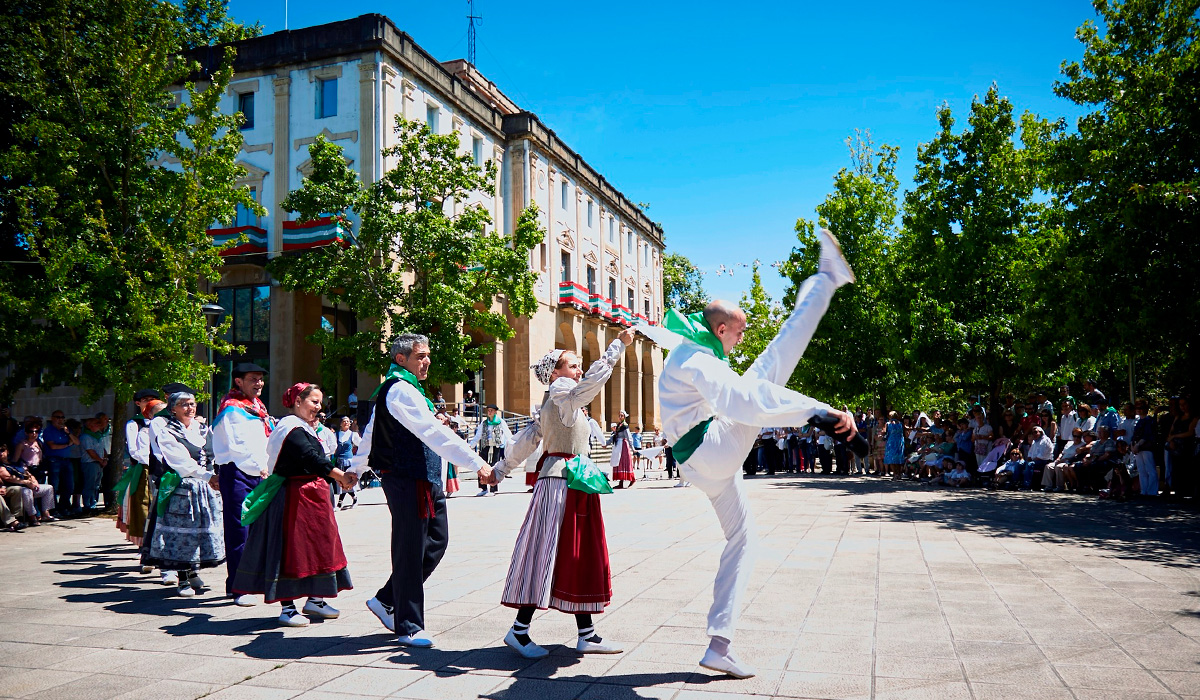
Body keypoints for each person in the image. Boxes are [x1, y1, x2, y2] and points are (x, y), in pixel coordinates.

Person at [635, 228, 855, 679]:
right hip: (711, 451)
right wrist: (817, 412)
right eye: (738, 331)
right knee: (770, 367)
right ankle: (826, 280)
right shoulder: (698, 358)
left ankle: (719, 645)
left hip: (704, 460)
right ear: (721, 329)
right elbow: (742, 402)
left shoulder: (692, 350)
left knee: (744, 537)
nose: (741, 337)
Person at [488, 328, 634, 659]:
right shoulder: (561, 393)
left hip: (571, 481)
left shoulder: (558, 400)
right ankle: (520, 630)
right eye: (572, 365)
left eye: (578, 365)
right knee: (552, 552)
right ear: (555, 373)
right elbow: (589, 387)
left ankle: (585, 633)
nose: (579, 370)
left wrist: (500, 471)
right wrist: (617, 346)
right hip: (561, 483)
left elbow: (528, 439)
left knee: (572, 554)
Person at [349, 334, 494, 647]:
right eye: (420, 356)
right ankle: (409, 625)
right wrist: (477, 463)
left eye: (427, 355)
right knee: (410, 549)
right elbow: (431, 432)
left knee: (437, 541)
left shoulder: (409, 389)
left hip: (424, 478)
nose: (426, 361)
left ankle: (387, 600)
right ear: (401, 359)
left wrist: (355, 468)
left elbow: (373, 429)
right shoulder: (399, 389)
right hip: (407, 477)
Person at [233, 383, 355, 627]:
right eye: (313, 401)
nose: (318, 407)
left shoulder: (306, 427)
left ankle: (316, 599)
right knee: (290, 550)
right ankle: (287, 607)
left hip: (312, 497)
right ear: (298, 401)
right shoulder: (290, 427)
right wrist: (340, 476)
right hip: (292, 497)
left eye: (320, 402)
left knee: (319, 547)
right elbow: (309, 456)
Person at [143, 391, 224, 598]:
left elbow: (215, 454)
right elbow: (180, 463)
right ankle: (183, 577)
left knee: (200, 533)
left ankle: (194, 571)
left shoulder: (204, 429)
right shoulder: (167, 432)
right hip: (183, 488)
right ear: (173, 409)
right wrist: (209, 476)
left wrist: (216, 475)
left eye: (192, 404)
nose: (190, 408)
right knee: (181, 534)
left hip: (206, 488)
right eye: (184, 404)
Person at [212, 363, 274, 606]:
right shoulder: (232, 408)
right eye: (253, 379)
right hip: (239, 472)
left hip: (258, 472)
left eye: (260, 379)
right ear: (238, 381)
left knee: (256, 530)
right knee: (239, 530)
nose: (259, 383)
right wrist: (261, 468)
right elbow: (238, 446)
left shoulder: (257, 407)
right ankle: (238, 587)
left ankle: (250, 581)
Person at [116, 389, 159, 550]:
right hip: (143, 467)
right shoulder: (134, 423)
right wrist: (148, 462)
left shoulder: (162, 421)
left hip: (161, 467)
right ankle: (144, 542)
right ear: (138, 403)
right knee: (143, 504)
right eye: (146, 400)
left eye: (153, 399)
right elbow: (134, 450)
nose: (150, 402)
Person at [470, 404, 513, 496]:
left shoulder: (500, 422)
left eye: (491, 410)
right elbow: (478, 436)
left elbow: (507, 433)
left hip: (496, 447)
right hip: (485, 446)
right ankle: (483, 488)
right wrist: (471, 445)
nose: (489, 412)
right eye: (488, 410)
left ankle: (493, 489)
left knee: (494, 467)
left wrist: (512, 444)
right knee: (481, 466)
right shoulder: (484, 423)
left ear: (495, 412)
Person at [41, 411, 76, 516]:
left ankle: (64, 507)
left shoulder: (65, 430)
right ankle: (53, 509)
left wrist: (68, 433)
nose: (60, 419)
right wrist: (67, 445)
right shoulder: (48, 430)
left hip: (66, 460)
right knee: (54, 486)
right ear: (52, 418)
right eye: (58, 417)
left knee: (69, 485)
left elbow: (77, 442)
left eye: (62, 417)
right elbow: (52, 446)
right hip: (54, 460)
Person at [80, 414, 111, 513]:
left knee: (96, 485)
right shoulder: (86, 437)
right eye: (96, 423)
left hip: (99, 463)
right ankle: (87, 505)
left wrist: (105, 459)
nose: (99, 424)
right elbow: (90, 451)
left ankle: (94, 503)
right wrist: (100, 460)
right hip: (90, 463)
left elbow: (103, 449)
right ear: (90, 426)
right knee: (89, 485)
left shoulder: (98, 436)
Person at [1131, 399, 1158, 497]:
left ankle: (1152, 491)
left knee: (1150, 469)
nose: (1139, 410)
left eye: (1141, 408)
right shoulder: (1138, 421)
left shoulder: (1149, 420)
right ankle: (1144, 490)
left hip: (1146, 448)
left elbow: (1147, 435)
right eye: (1137, 408)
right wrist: (1133, 445)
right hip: (1138, 449)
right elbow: (1134, 435)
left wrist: (1138, 445)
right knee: (1141, 470)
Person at [334, 416, 361, 509]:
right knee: (341, 480)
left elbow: (361, 444)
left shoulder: (353, 434)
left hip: (349, 461)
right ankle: (354, 498)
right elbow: (333, 447)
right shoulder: (336, 434)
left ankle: (340, 502)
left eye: (347, 421)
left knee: (349, 480)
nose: (346, 423)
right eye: (344, 421)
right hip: (339, 461)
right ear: (340, 423)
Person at [610, 411, 636, 488]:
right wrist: (606, 443)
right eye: (619, 416)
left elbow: (628, 437)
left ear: (624, 417)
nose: (620, 417)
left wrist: (632, 448)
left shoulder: (625, 425)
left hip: (623, 446)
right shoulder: (619, 425)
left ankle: (632, 479)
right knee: (619, 463)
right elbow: (614, 436)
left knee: (625, 462)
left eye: (622, 416)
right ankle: (621, 482)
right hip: (618, 445)